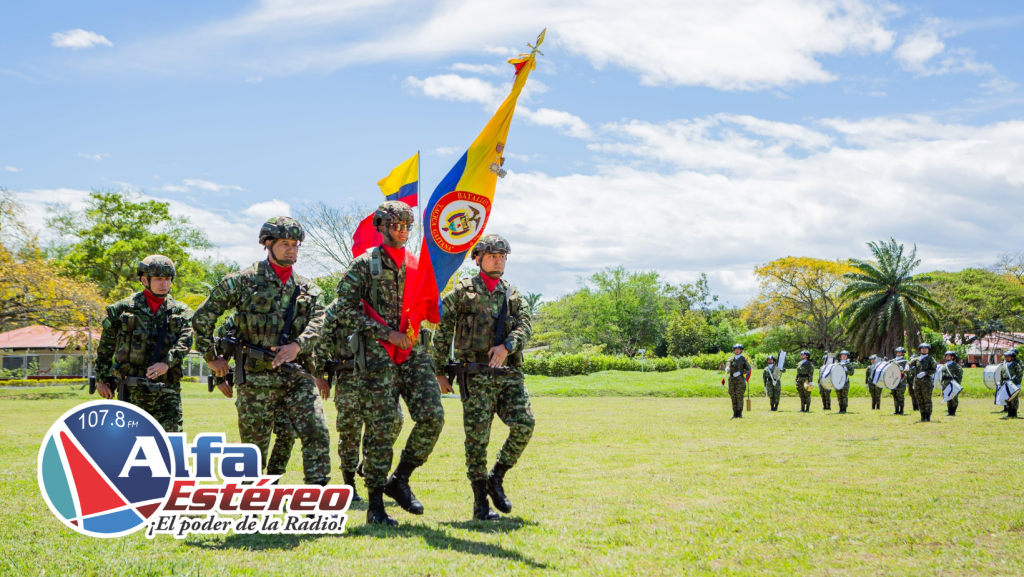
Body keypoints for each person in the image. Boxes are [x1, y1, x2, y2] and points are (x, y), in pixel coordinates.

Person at [191, 216, 332, 485]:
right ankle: (254, 507)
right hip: (256, 379)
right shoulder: (242, 282)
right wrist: (211, 357)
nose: (291, 249)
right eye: (284, 243)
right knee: (253, 450)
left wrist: (297, 345)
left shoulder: (308, 289)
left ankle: (317, 500)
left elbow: (319, 323)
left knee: (316, 432)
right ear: (267, 244)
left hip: (297, 377)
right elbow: (203, 317)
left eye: (295, 244)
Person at [334, 201, 444, 526]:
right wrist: (385, 332)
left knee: (432, 417)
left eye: (407, 224)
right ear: (380, 226)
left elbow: (428, 306)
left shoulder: (417, 265)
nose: (401, 229)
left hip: (412, 352)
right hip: (377, 354)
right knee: (382, 428)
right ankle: (375, 505)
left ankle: (400, 479)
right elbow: (342, 308)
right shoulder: (363, 264)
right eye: (395, 223)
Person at [435, 234, 535, 521]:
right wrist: (439, 370)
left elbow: (526, 326)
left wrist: (507, 346)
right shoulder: (462, 292)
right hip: (475, 377)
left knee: (525, 424)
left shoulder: (512, 294)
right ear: (477, 258)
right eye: (493, 255)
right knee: (477, 441)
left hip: (509, 376)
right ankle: (481, 502)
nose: (499, 260)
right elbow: (442, 329)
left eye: (503, 256)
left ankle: (497, 477)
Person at [94, 255, 193, 432]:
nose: (164, 284)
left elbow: (185, 341)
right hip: (132, 390)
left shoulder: (181, 311)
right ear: (144, 280)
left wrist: (167, 363)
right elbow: (106, 346)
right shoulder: (121, 309)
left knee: (170, 442)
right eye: (159, 279)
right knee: (130, 444)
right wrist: (102, 379)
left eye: (168, 279)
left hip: (167, 390)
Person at [910, 343, 937, 422]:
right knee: (920, 399)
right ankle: (922, 416)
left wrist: (926, 373)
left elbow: (934, 369)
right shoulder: (917, 359)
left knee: (927, 400)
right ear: (920, 349)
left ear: (928, 350)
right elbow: (909, 363)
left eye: (926, 348)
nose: (924, 349)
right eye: (922, 348)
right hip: (917, 382)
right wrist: (907, 366)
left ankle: (927, 417)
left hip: (927, 383)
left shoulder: (931, 359)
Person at [725, 344, 752, 418]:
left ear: (741, 350)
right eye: (736, 349)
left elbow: (748, 369)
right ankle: (734, 413)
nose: (737, 350)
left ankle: (739, 413)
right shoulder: (731, 359)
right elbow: (728, 363)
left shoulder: (743, 359)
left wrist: (740, 372)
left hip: (740, 380)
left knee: (739, 396)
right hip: (732, 380)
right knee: (733, 395)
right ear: (734, 350)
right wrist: (727, 368)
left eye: (739, 349)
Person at [940, 351, 963, 417]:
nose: (947, 357)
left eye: (949, 356)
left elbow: (960, 373)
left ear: (952, 357)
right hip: (945, 383)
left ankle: (953, 411)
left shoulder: (955, 365)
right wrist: (942, 384)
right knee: (947, 397)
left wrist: (957, 382)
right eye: (946, 356)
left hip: (952, 383)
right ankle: (949, 411)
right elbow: (942, 375)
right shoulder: (944, 365)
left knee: (953, 397)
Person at [1001, 348, 1022, 419]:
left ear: (1012, 358)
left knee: (1014, 399)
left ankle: (1014, 413)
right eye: (1005, 357)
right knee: (1007, 398)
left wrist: (1018, 383)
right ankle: (1009, 412)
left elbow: (1019, 374)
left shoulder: (1015, 365)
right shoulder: (1004, 365)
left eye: (1007, 357)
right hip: (1005, 383)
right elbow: (1002, 374)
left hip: (1013, 383)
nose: (1006, 358)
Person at [892, 347, 909, 416]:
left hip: (901, 380)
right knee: (894, 395)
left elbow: (907, 369)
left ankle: (901, 410)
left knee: (900, 395)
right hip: (893, 380)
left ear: (903, 353)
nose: (898, 353)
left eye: (900, 352)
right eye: (897, 352)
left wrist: (903, 369)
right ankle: (896, 410)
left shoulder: (905, 361)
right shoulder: (893, 361)